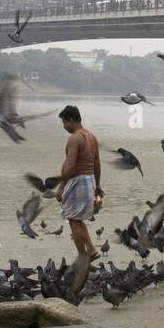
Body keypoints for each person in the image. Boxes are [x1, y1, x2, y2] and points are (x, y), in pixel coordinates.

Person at [53, 105, 102, 267]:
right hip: (89, 180)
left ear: (72, 120)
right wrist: (97, 185)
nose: (64, 126)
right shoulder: (91, 137)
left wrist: (61, 187)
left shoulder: (75, 138)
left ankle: (83, 256)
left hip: (78, 181)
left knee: (73, 220)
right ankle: (91, 250)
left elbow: (70, 164)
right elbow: (96, 163)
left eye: (64, 122)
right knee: (78, 219)